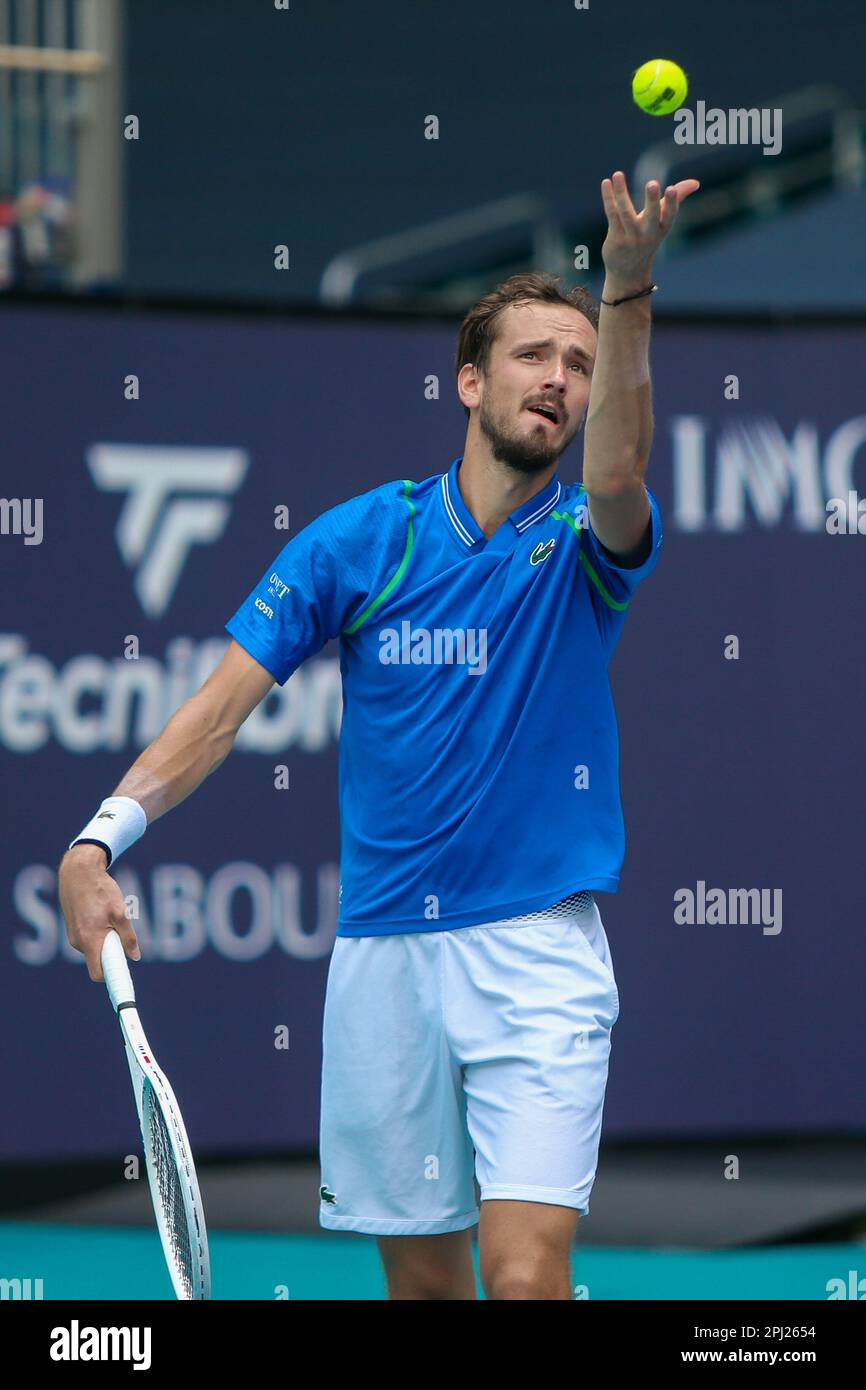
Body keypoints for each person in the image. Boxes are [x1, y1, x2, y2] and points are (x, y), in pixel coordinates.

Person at [59, 170, 698, 1300]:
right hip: (384, 962)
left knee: (524, 1274)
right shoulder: (359, 542)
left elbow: (622, 466)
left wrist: (628, 291)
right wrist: (99, 838)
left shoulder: (585, 546)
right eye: (531, 356)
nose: (558, 377)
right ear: (467, 379)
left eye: (577, 363)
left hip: (535, 959)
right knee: (422, 1290)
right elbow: (217, 711)